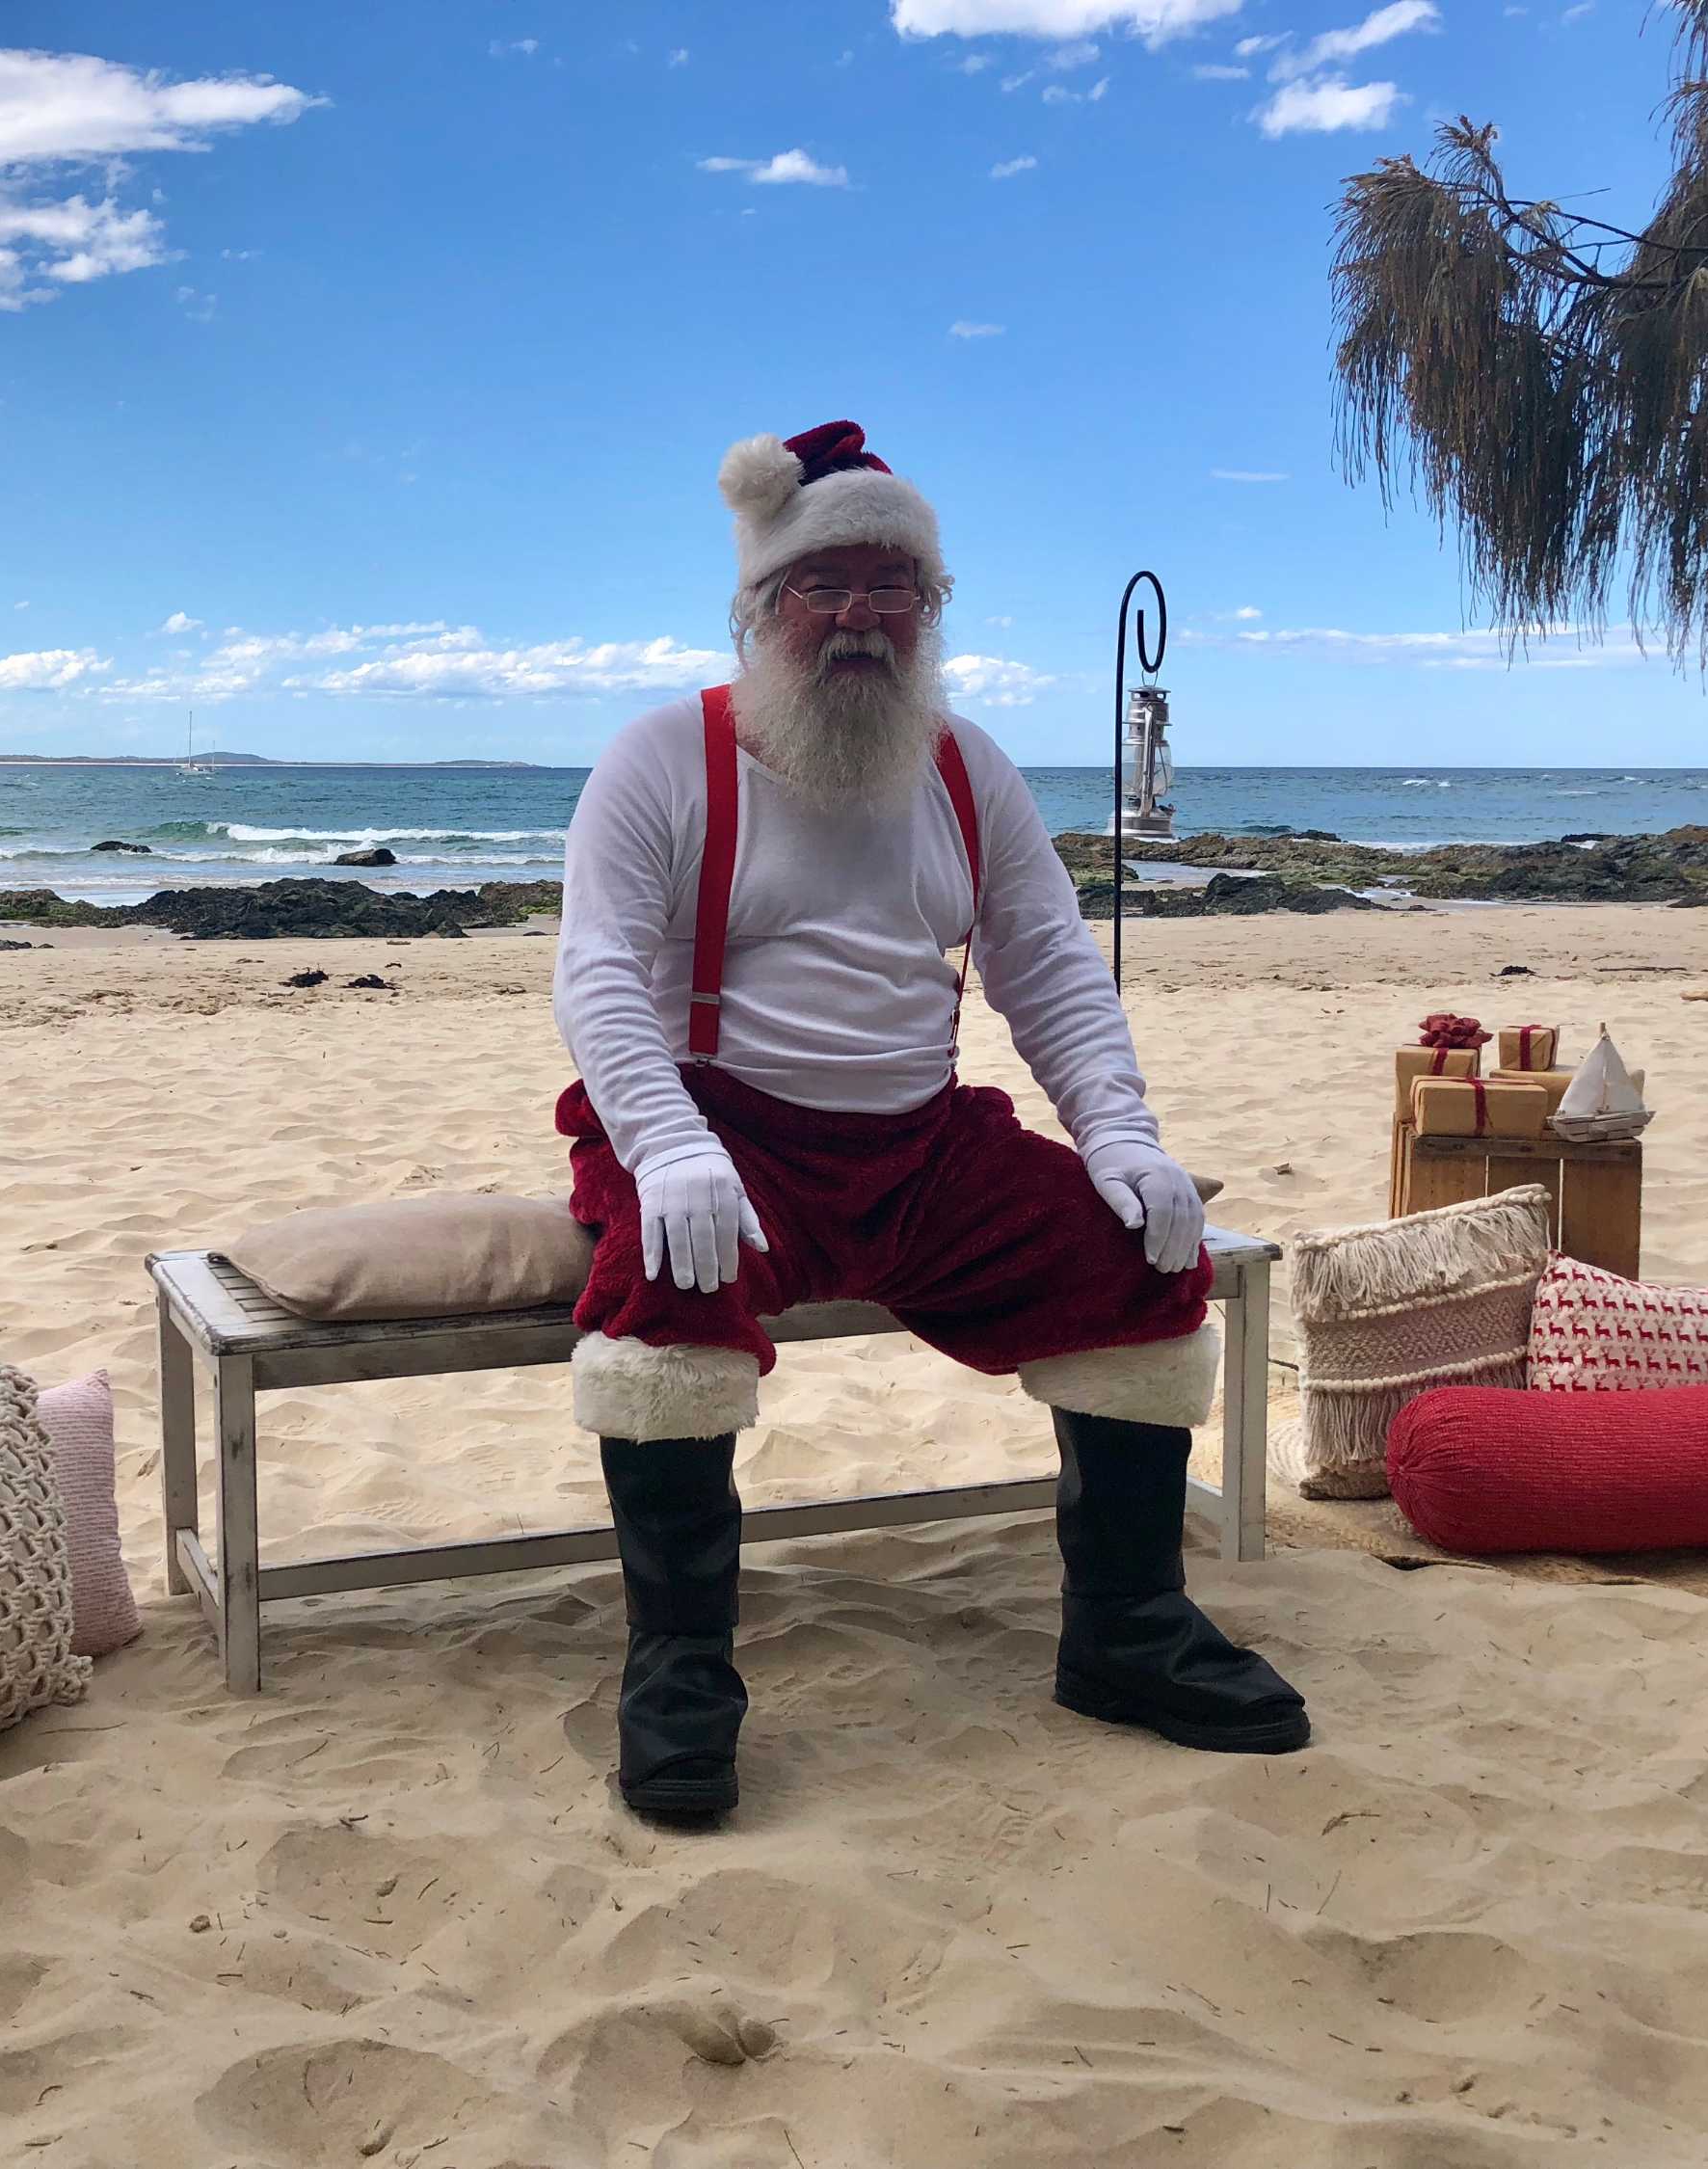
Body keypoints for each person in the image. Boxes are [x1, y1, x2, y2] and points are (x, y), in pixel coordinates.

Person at [553, 419, 1307, 1825]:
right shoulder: (661, 759)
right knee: (660, 1296)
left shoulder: (967, 769)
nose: (855, 615)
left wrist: (1125, 1141)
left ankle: (1128, 1631)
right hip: (714, 1129)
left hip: (919, 1143)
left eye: (890, 586)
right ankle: (679, 1670)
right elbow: (595, 977)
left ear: (932, 611)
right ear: (757, 609)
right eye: (818, 585)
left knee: (1139, 1261)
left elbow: (1052, 970)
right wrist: (665, 1145)